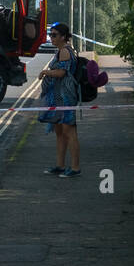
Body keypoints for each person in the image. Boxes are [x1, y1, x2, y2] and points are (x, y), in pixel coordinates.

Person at [37, 22, 80, 177]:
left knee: (69, 131)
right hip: (58, 97)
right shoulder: (63, 50)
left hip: (65, 97)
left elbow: (62, 73)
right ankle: (60, 165)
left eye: (54, 35)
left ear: (63, 36)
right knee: (60, 131)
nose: (51, 38)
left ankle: (75, 167)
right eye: (50, 35)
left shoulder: (65, 52)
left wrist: (45, 72)